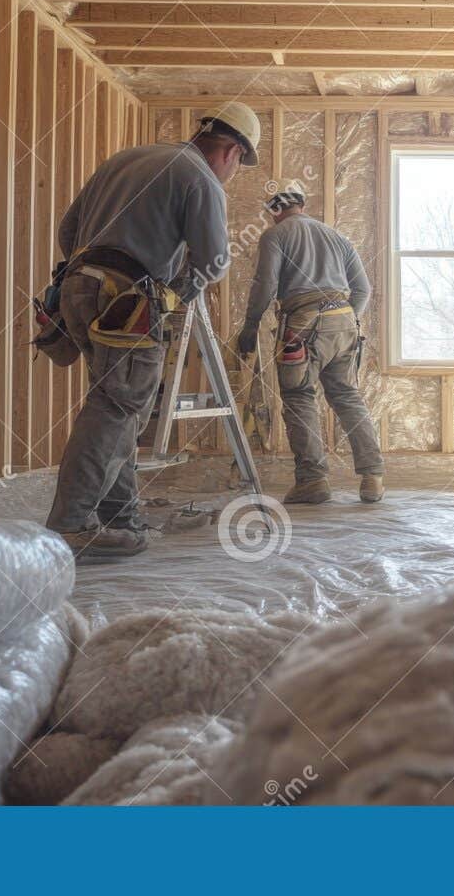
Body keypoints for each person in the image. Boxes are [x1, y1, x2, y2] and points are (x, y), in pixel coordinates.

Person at [46, 102, 261, 563]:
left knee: (116, 404)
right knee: (118, 408)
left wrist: (100, 266)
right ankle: (70, 526)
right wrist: (168, 295)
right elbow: (214, 262)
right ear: (231, 151)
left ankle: (119, 519)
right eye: (240, 164)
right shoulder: (200, 177)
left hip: (77, 289)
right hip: (126, 302)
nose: (232, 173)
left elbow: (68, 229)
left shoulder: (126, 159)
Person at [235, 180, 384, 505]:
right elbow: (363, 290)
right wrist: (347, 319)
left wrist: (250, 325)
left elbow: (266, 285)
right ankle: (372, 478)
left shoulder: (275, 235)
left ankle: (312, 481)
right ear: (302, 205)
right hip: (344, 322)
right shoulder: (338, 237)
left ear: (275, 210)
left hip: (302, 324)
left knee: (299, 397)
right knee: (346, 395)